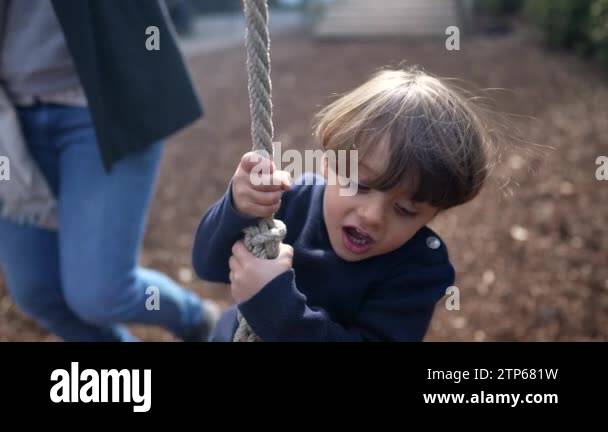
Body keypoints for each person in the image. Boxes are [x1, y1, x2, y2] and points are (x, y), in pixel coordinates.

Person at [192, 67, 497, 342]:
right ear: (327, 163)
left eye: (405, 209)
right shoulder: (289, 201)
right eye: (360, 185)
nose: (373, 216)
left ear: (434, 212)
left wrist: (277, 307)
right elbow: (209, 265)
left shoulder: (419, 270)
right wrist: (237, 207)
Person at [0, 0, 219, 342]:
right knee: (38, 293)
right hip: (9, 121)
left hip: (108, 104)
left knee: (102, 293)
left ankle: (197, 320)